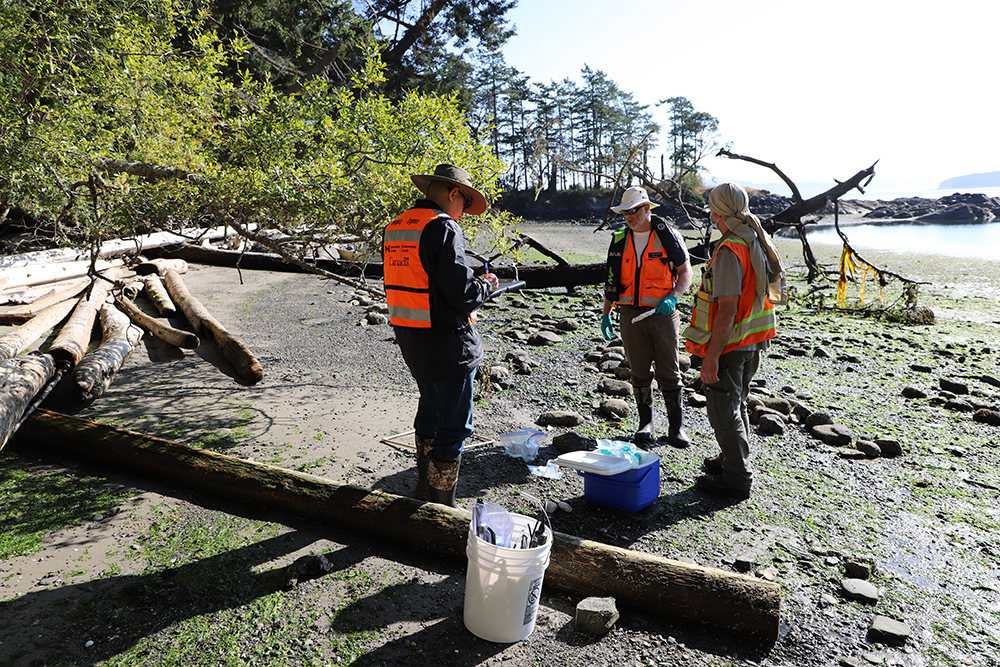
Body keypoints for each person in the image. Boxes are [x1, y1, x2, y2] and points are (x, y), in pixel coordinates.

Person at [382, 163, 499, 507]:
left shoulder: (396, 227)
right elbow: (462, 293)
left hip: (412, 339)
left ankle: (423, 490)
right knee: (454, 428)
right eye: (464, 206)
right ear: (453, 194)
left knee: (430, 411)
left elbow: (422, 280)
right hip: (449, 345)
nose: (463, 214)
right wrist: (486, 286)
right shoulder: (443, 227)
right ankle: (440, 509)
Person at [683, 182, 778, 499]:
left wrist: (711, 357)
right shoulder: (753, 239)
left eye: (712, 207)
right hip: (752, 341)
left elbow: (726, 309)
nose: (709, 212)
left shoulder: (729, 250)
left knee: (724, 412)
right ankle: (731, 460)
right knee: (736, 403)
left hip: (732, 344)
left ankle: (736, 478)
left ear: (720, 211)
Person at [601, 186, 693, 448]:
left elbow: (686, 272)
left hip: (662, 314)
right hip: (630, 313)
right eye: (625, 212)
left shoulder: (667, 236)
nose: (629, 216)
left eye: (633, 211)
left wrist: (673, 296)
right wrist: (606, 313)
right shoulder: (619, 239)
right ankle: (646, 424)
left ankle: (677, 429)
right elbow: (612, 281)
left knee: (669, 372)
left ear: (646, 209)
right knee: (639, 372)